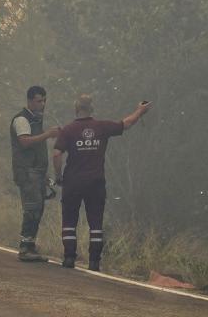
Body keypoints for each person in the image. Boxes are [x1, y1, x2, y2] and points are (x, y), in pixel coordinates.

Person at [53, 94, 151, 271]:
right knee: (95, 222)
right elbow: (126, 124)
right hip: (95, 182)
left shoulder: (68, 130)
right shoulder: (102, 127)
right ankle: (94, 261)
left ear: (76, 109)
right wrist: (140, 111)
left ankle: (69, 258)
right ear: (92, 109)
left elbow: (56, 154)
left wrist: (58, 176)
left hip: (73, 182)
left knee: (69, 221)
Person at [11, 85, 60, 262]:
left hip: (37, 172)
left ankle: (30, 245)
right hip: (27, 171)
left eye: (44, 100)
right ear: (30, 101)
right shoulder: (22, 120)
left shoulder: (35, 120)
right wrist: (48, 134)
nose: (43, 104)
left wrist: (44, 176)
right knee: (32, 209)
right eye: (39, 101)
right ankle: (25, 247)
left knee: (38, 208)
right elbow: (24, 142)